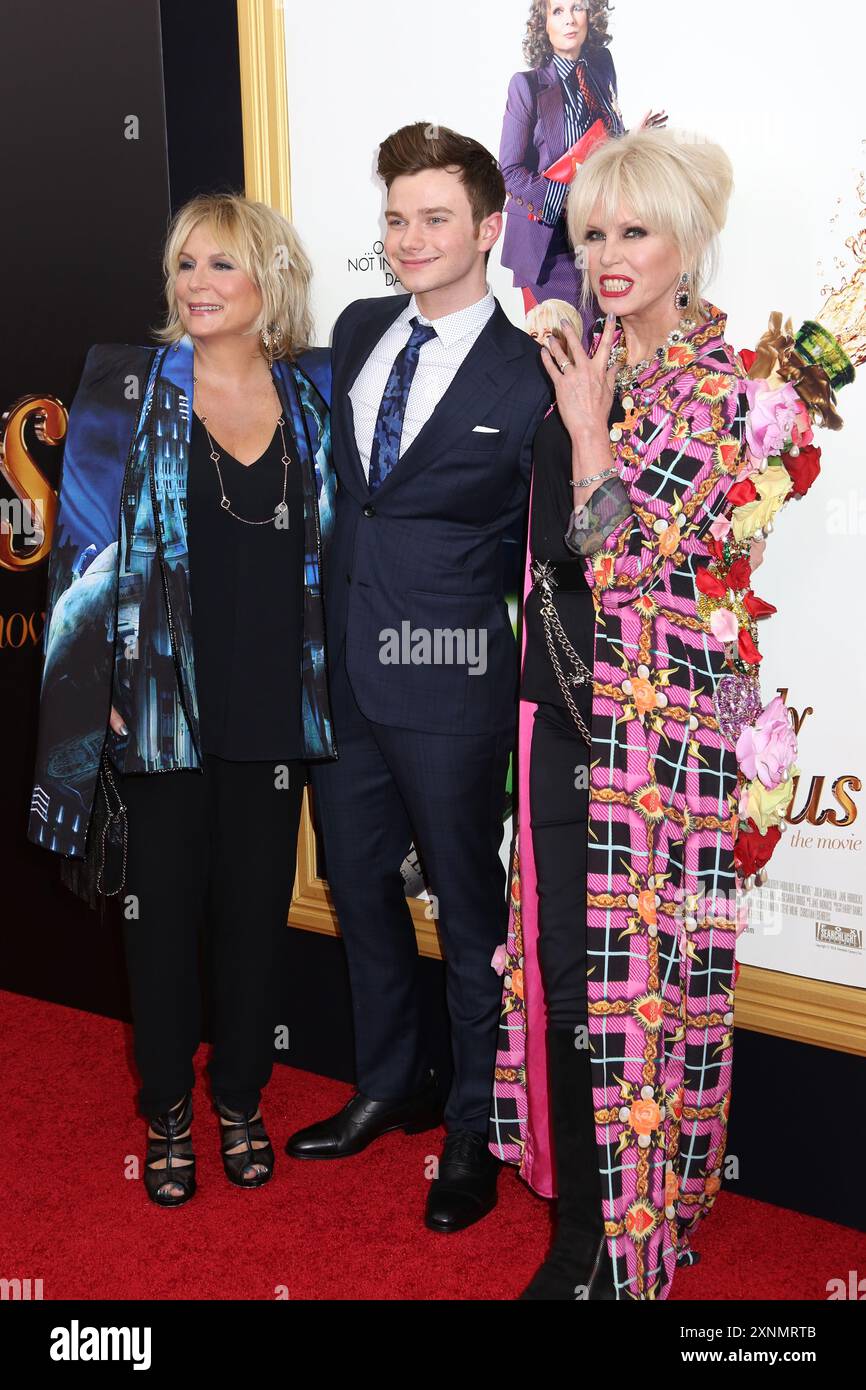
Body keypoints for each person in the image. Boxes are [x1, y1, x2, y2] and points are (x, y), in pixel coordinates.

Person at [489, 127, 768, 1299]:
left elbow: (622, 562)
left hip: (664, 746)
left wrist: (592, 429)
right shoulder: (593, 355)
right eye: (591, 230)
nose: (605, 253)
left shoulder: (724, 387)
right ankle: (578, 1224)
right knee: (567, 974)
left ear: (687, 242)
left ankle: (629, 1239)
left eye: (631, 231)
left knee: (645, 993)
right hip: (561, 716)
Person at [28, 193, 338, 1205]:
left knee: (253, 919)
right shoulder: (124, 387)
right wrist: (96, 691)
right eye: (186, 266)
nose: (197, 285)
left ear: (268, 282)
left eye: (221, 266)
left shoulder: (313, 394)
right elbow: (77, 560)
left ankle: (240, 1097)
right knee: (158, 924)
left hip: (273, 706)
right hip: (157, 705)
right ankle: (166, 1109)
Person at [285, 123, 551, 1234]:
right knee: (358, 889)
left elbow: (546, 548)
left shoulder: (535, 365)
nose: (408, 238)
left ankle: (474, 1132)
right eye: (395, 217)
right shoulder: (353, 330)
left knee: (470, 911)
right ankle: (392, 1082)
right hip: (344, 673)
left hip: (449, 681)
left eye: (434, 217)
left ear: (490, 228)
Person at [499, 0, 666, 339]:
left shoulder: (601, 68)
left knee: (608, 339)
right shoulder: (527, 86)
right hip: (549, 244)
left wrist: (632, 140)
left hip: (599, 235)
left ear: (592, 15)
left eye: (577, 8)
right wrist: (569, 197)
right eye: (557, 11)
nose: (569, 19)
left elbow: (603, 140)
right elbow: (510, 171)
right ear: (542, 23)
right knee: (564, 342)